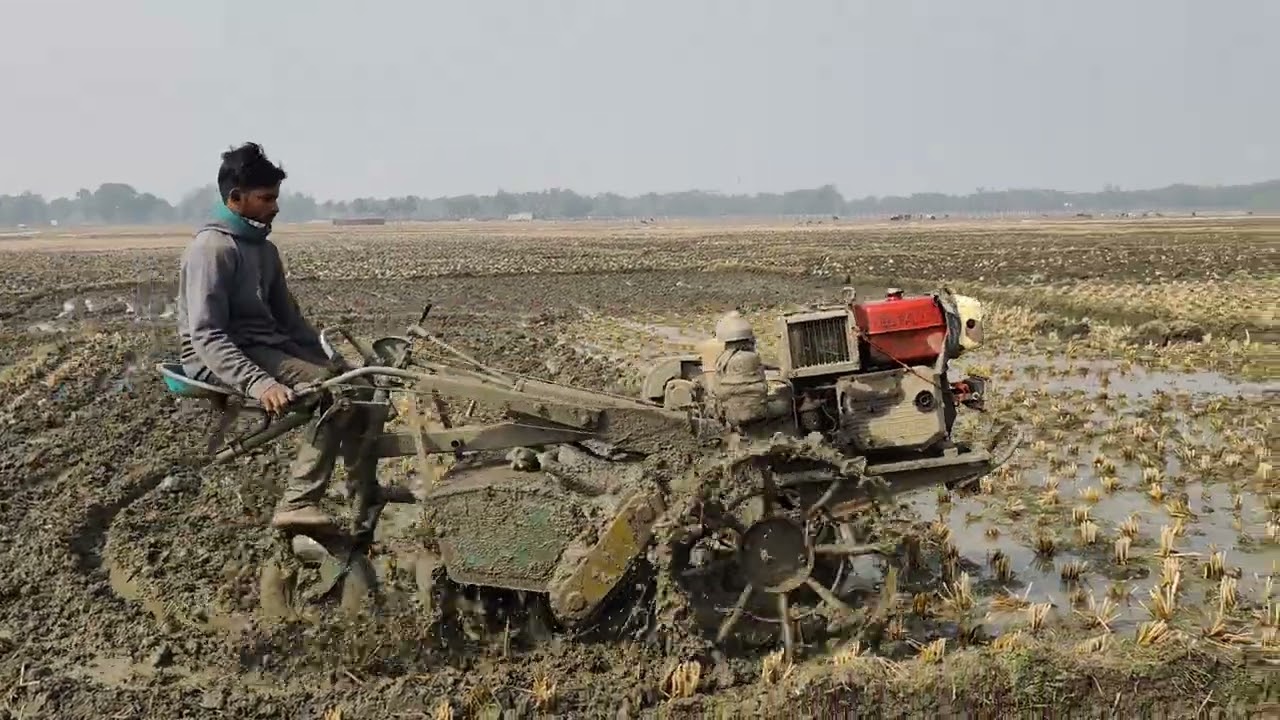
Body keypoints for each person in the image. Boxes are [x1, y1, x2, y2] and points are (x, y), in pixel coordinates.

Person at [176, 142, 383, 535]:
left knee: (360, 384)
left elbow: (290, 323)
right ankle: (298, 502)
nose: (275, 206)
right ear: (236, 199)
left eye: (275, 197)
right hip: (221, 355)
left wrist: (338, 362)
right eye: (266, 198)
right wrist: (260, 383)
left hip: (265, 347)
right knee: (333, 394)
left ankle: (360, 489)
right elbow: (207, 333)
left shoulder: (264, 250)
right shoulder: (212, 249)